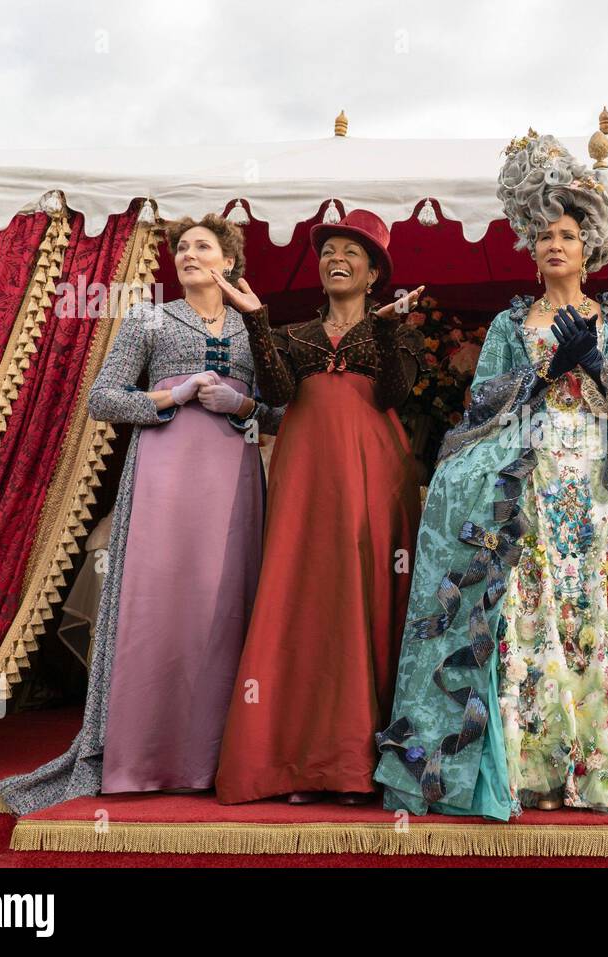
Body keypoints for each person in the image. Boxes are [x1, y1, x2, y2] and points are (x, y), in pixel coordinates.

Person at [374, 131, 608, 818]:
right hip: (530, 482)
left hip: (602, 481)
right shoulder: (509, 325)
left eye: (569, 234)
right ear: (532, 245)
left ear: (590, 246)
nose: (555, 244)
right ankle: (531, 763)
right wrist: (541, 371)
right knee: (530, 612)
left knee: (597, 612)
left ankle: (598, 764)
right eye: (544, 234)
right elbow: (480, 405)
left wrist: (599, 364)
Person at [0, 215, 281, 814]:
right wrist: (166, 396)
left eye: (202, 246)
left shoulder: (254, 324)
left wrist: (243, 403)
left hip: (232, 482)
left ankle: (218, 757)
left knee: (224, 609)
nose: (188, 254)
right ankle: (146, 756)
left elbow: (283, 409)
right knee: (158, 607)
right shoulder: (150, 316)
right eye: (181, 247)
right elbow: (103, 398)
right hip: (164, 475)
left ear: (230, 262)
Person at [214, 209, 425, 805]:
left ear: (374, 272)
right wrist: (257, 320)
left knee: (366, 598)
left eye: (352, 252)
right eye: (329, 248)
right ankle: (299, 762)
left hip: (374, 477)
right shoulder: (296, 334)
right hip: (306, 478)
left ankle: (358, 763)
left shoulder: (398, 333)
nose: (337, 258)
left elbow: (393, 393)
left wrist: (384, 331)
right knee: (303, 600)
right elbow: (277, 394)